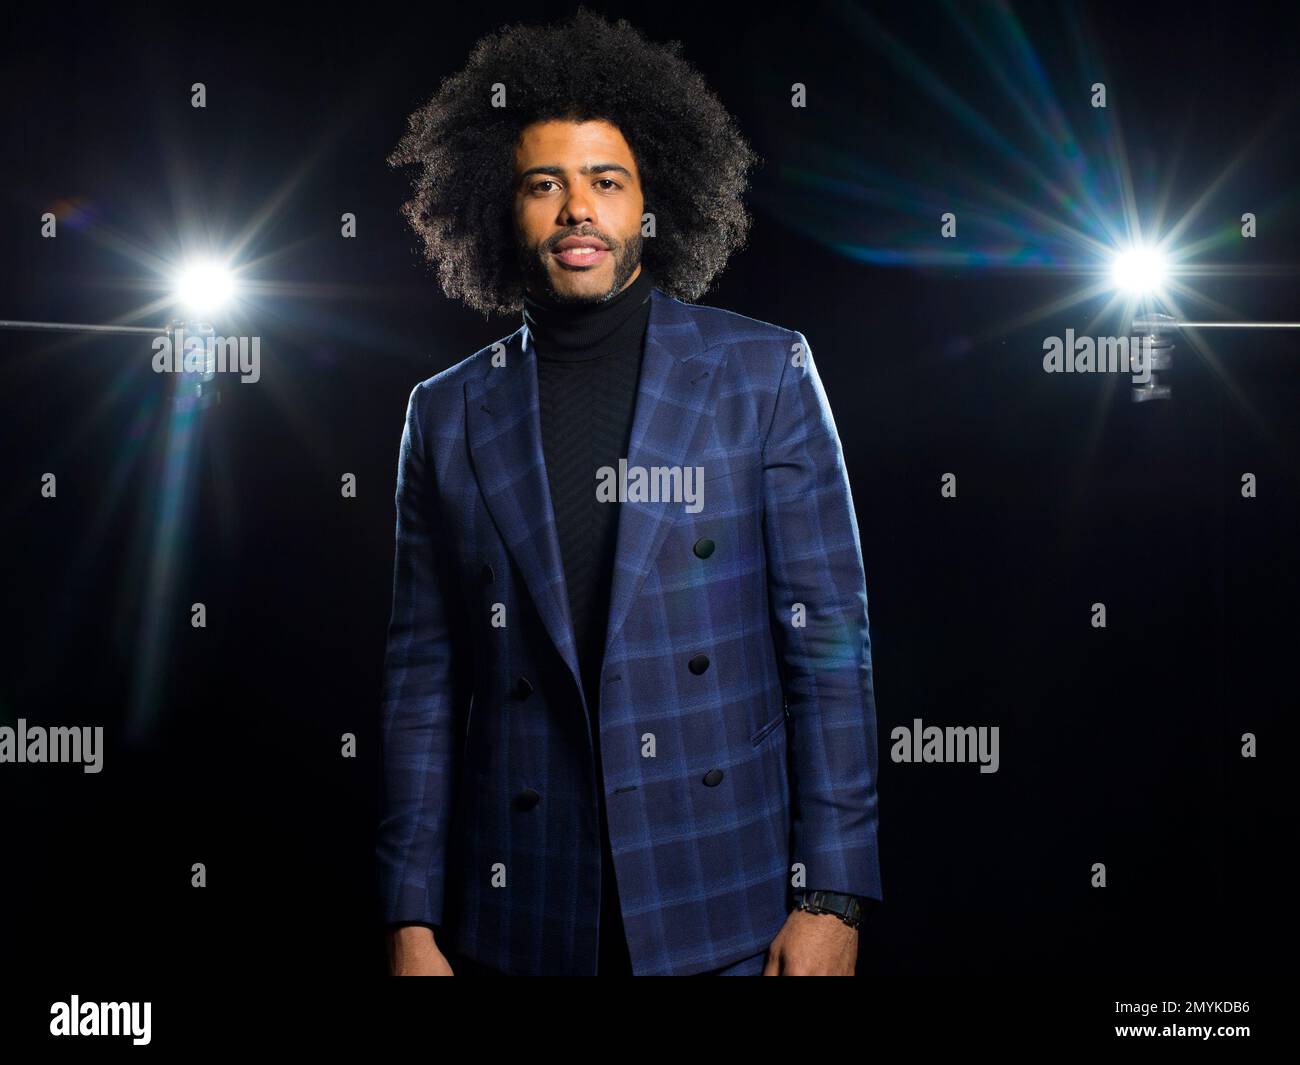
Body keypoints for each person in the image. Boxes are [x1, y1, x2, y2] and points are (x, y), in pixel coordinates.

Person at [378, 8, 882, 976]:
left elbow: (831, 648)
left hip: (722, 903)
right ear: (500, 207)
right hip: (518, 916)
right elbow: (420, 687)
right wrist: (409, 919)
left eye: (606, 182)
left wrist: (832, 898)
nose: (578, 210)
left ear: (651, 201)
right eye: (545, 185)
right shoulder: (443, 414)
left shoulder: (761, 373)